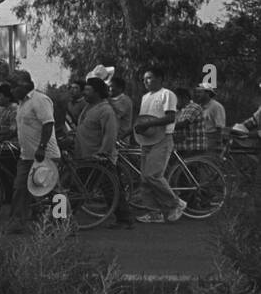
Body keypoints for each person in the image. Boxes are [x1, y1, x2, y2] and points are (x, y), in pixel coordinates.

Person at [74, 76, 132, 228]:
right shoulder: (89, 107)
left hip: (99, 158)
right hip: (87, 156)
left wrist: (102, 153)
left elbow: (110, 134)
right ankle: (124, 220)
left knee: (79, 189)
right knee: (111, 190)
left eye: (88, 90)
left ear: (98, 93)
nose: (84, 93)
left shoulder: (106, 110)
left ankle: (60, 220)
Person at [6, 72, 60, 234]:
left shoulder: (39, 100)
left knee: (54, 191)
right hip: (27, 156)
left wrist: (42, 147)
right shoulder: (22, 103)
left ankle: (65, 223)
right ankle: (17, 223)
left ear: (24, 85)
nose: (12, 91)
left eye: (14, 87)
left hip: (45, 155)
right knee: (20, 189)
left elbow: (48, 124)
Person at [133, 66, 185, 224]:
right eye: (144, 79)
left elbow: (170, 117)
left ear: (160, 78)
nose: (145, 81)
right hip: (147, 139)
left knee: (153, 175)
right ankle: (154, 212)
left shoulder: (167, 94)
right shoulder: (145, 97)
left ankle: (176, 203)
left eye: (149, 78)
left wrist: (149, 124)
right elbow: (144, 119)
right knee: (144, 178)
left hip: (163, 138)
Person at [173, 87, 206, 156]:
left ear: (184, 98)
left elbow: (183, 124)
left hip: (193, 147)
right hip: (183, 146)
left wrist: (163, 126)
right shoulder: (180, 110)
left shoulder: (193, 107)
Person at [193, 85, 225, 153]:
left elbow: (220, 126)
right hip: (200, 138)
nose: (197, 95)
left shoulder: (216, 106)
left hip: (211, 138)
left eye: (200, 92)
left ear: (207, 93)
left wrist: (218, 143)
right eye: (197, 92)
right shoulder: (199, 106)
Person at [109, 75, 134, 144]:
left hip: (121, 139)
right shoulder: (110, 100)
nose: (109, 89)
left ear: (120, 88)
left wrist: (107, 100)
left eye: (111, 86)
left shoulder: (125, 100)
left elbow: (116, 114)